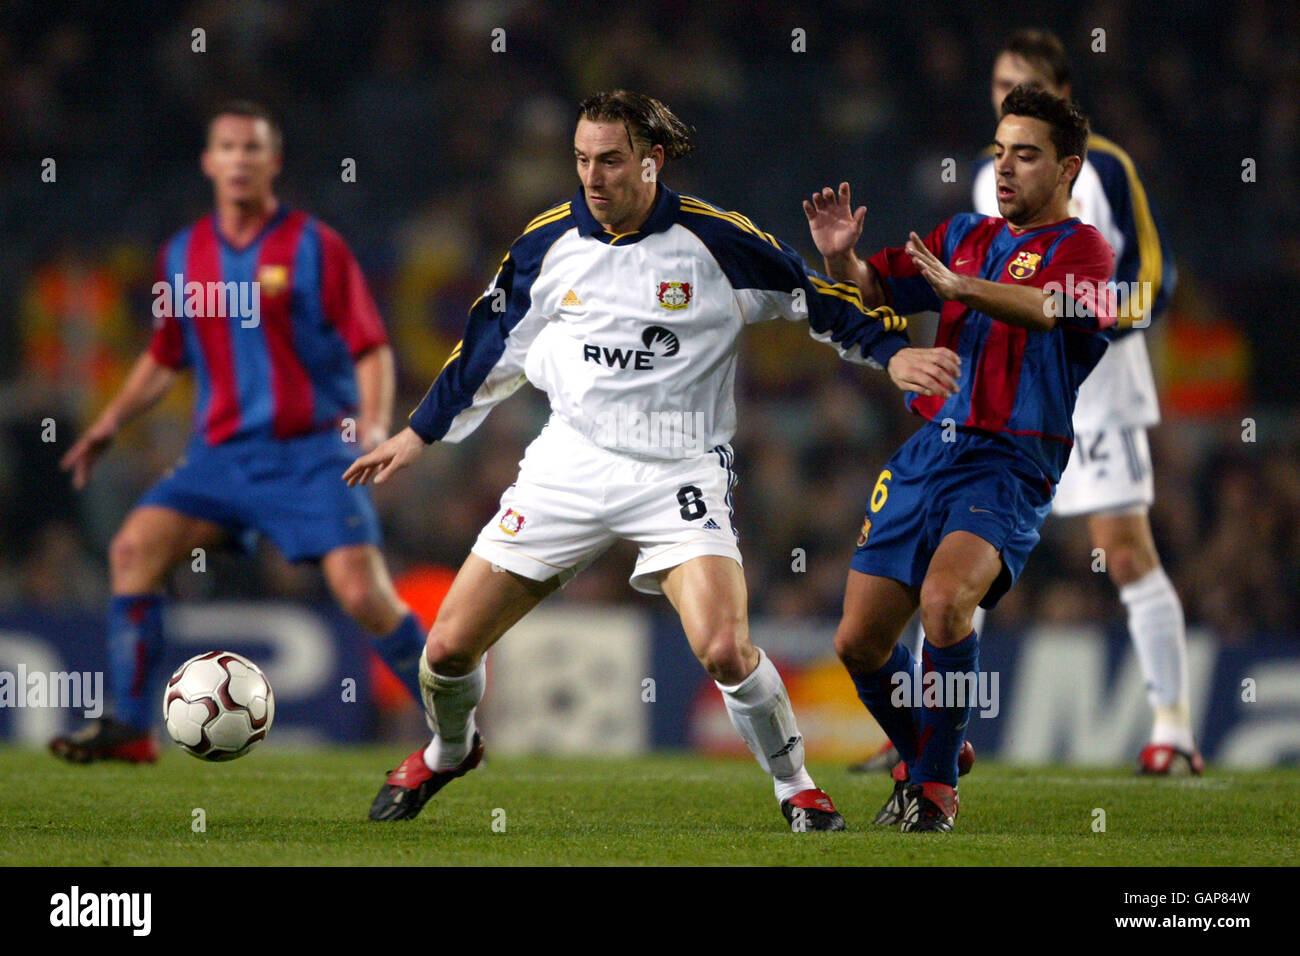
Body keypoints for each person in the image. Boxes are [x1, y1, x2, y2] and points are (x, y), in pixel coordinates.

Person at [345, 89, 959, 830]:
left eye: (609, 161)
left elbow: (817, 301)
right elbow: (486, 347)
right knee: (444, 649)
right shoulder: (547, 244)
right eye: (581, 161)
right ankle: (450, 750)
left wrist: (891, 355)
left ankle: (796, 787)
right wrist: (419, 433)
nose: (593, 178)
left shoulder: (718, 242)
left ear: (651, 161)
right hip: (567, 463)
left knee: (726, 647)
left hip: (678, 471)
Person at [50, 101, 426, 763]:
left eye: (253, 148)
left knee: (364, 595)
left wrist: (371, 422)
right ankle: (133, 730)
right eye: (228, 146)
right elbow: (166, 356)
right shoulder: (183, 254)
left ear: (273, 162)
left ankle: (454, 725)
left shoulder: (315, 247)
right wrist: (110, 421)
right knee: (134, 550)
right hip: (220, 458)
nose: (240, 159)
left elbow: (371, 346)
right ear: (209, 161)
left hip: (311, 452)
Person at [805, 86, 1115, 831]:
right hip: (930, 450)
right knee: (858, 641)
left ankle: (934, 789)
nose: (1005, 167)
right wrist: (844, 256)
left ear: (1067, 168)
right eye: (1000, 151)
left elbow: (1048, 308)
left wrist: (960, 289)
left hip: (1011, 459)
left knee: (947, 604)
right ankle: (930, 750)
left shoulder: (1086, 250)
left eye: (1027, 155)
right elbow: (876, 287)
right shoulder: (966, 232)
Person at [972, 30, 1198, 775]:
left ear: (1062, 97)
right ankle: (925, 726)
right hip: (1016, 395)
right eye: (1001, 83)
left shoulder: (1106, 169)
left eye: (1024, 85)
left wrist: (1080, 316)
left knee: (1125, 552)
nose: (1009, 97)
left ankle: (1172, 725)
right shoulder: (985, 182)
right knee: (965, 551)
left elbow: (1152, 279)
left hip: (1097, 395)